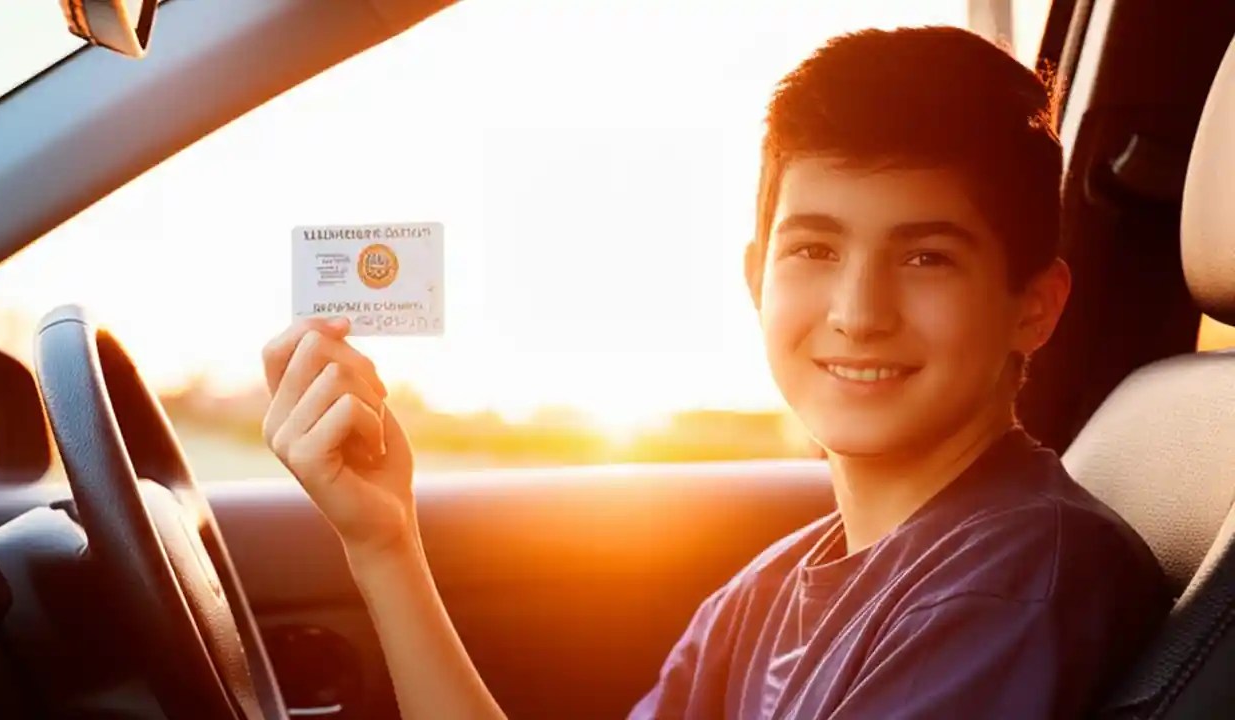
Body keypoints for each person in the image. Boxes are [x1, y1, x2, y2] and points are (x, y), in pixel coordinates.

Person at [260, 26, 1170, 720]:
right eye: (815, 248)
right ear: (755, 278)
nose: (858, 311)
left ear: (1034, 308)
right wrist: (384, 542)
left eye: (926, 258)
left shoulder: (1016, 582)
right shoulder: (766, 593)